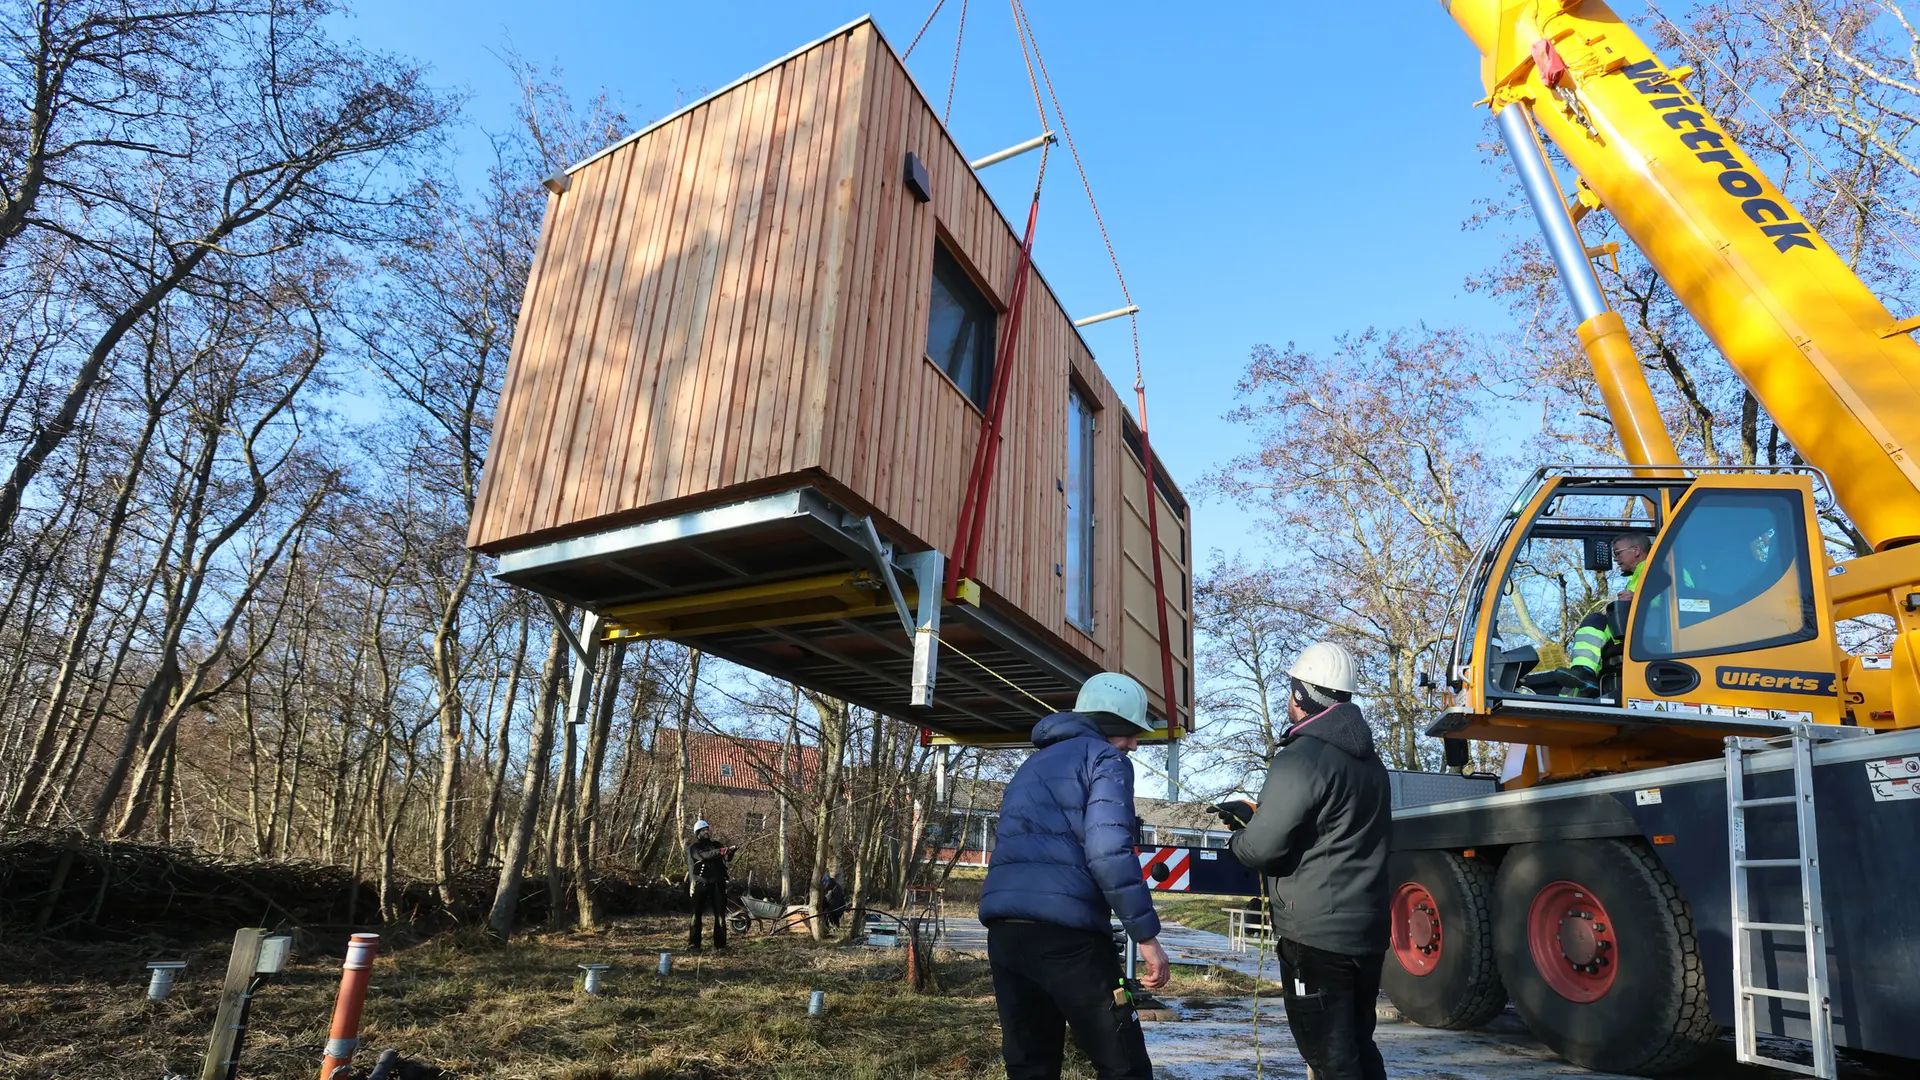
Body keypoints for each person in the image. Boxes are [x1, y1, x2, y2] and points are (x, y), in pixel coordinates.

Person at [980, 671, 1169, 1080]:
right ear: (1111, 724)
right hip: (1069, 941)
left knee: (1030, 1064)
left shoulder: (1030, 765)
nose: (1135, 745)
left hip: (1006, 936)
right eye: (1131, 733)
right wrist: (1148, 938)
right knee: (1124, 1065)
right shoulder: (1104, 759)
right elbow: (1108, 852)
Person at [1218, 642, 1392, 1080]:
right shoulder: (1371, 764)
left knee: (1330, 1058)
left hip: (1315, 937)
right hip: (1366, 932)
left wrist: (1239, 838)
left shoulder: (1301, 757)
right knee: (1357, 1044)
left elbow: (1262, 849)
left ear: (1302, 695)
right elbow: (1332, 834)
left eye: (1292, 690)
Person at [1561, 532, 1653, 695]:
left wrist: (1639, 598)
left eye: (1618, 553)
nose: (1616, 559)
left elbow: (1677, 597)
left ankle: (1583, 674)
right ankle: (1582, 677)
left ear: (1636, 550)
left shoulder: (1658, 567)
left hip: (1641, 635)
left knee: (1595, 620)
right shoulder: (1644, 571)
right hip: (1636, 633)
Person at [686, 819, 734, 951]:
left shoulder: (716, 844)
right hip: (701, 885)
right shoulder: (694, 848)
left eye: (707, 829)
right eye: (703, 830)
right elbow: (703, 856)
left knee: (720, 915)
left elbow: (727, 858)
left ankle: (720, 945)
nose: (706, 831)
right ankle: (694, 944)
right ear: (698, 833)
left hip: (718, 885)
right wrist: (721, 851)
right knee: (696, 914)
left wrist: (730, 851)